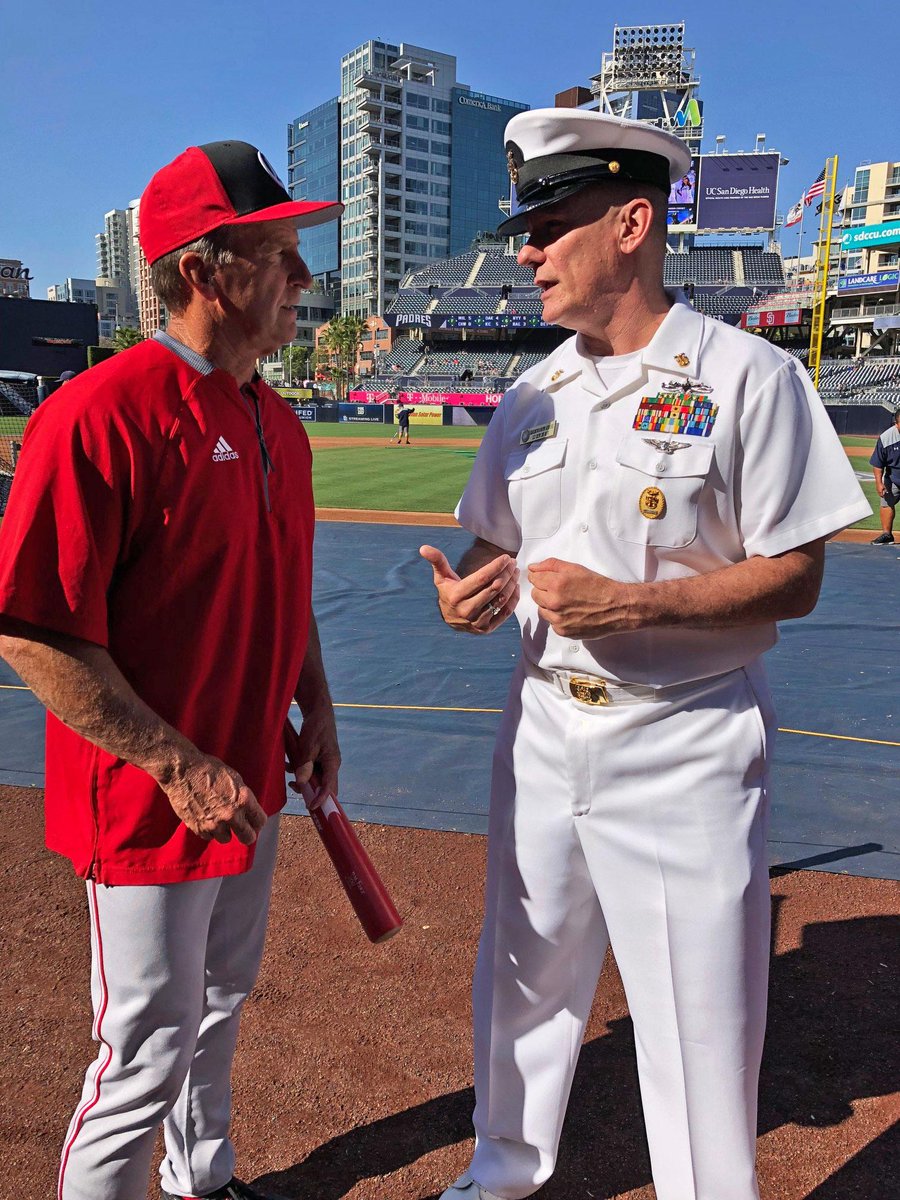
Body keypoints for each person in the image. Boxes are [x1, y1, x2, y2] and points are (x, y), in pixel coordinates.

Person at [420, 108, 870, 1200]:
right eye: (523, 227)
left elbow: (798, 576)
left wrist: (628, 606)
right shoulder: (531, 396)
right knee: (521, 978)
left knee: (696, 1016)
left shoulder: (750, 375)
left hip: (683, 738)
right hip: (541, 728)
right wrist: (467, 593)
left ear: (630, 222)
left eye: (549, 222)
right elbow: (493, 543)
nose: (525, 250)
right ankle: (502, 1172)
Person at [0, 140, 344, 1200]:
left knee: (222, 1003)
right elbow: (33, 630)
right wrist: (173, 763)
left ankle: (207, 1180)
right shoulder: (97, 414)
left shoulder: (279, 422)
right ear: (202, 271)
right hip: (150, 798)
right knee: (142, 1050)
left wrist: (315, 699)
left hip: (248, 778)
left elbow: (285, 584)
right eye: (279, 256)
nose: (303, 280)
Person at [869, 408, 900, 544]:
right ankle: (887, 535)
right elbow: (878, 464)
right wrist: (879, 483)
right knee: (886, 503)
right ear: (896, 423)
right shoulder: (886, 438)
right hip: (893, 478)